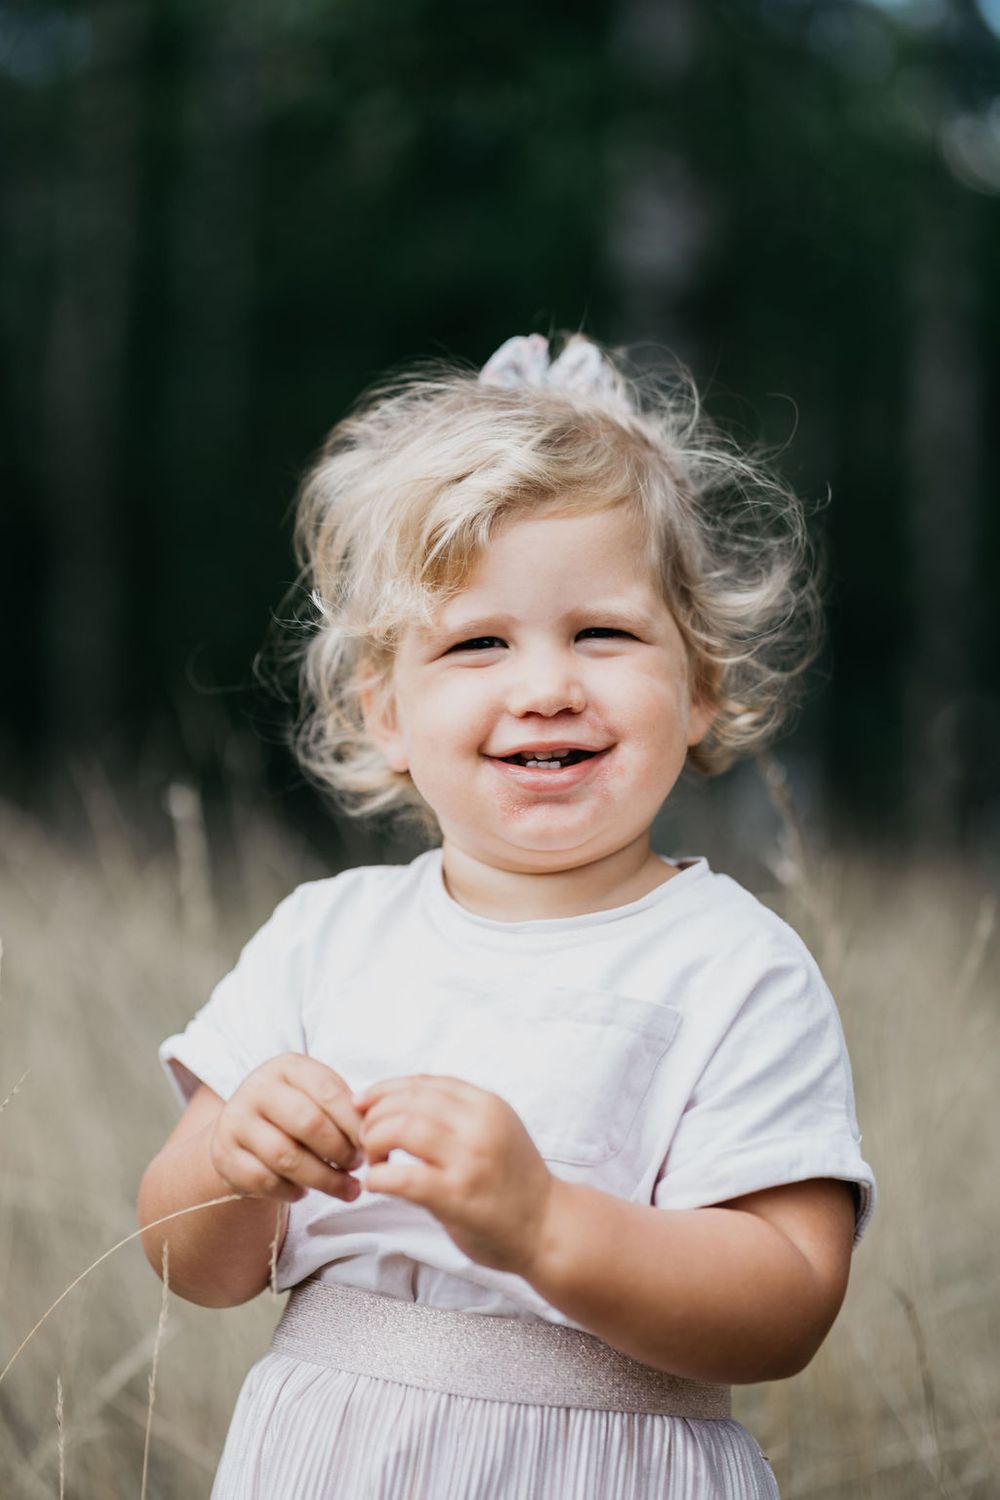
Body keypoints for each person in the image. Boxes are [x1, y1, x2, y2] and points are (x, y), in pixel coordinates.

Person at [138, 331, 876, 1499]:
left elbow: (786, 1302)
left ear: (698, 686)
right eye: (477, 642)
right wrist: (235, 1165)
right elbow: (190, 1265)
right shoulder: (324, 937)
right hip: (328, 1460)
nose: (544, 686)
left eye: (603, 632)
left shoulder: (734, 966)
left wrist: (544, 1225)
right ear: (385, 709)